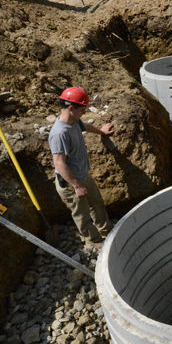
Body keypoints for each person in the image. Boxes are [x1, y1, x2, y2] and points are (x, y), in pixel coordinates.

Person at [48, 87, 114, 247]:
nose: (84, 112)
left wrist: (101, 132)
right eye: (82, 110)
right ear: (71, 108)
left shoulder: (74, 120)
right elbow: (59, 163)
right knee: (82, 214)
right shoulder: (59, 133)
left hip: (83, 175)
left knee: (97, 203)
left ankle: (106, 231)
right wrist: (76, 186)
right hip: (71, 183)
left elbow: (85, 126)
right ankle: (95, 241)